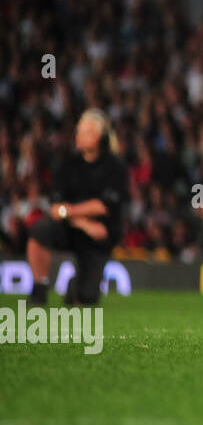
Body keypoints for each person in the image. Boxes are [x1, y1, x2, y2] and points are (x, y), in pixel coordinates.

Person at [26, 109, 128, 306]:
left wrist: (68, 211)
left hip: (98, 237)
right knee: (40, 229)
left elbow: (103, 206)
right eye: (79, 131)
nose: (79, 136)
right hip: (75, 228)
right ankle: (40, 285)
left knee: (87, 298)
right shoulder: (67, 164)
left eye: (85, 132)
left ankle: (77, 288)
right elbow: (56, 208)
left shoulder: (115, 166)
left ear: (100, 137)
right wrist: (84, 223)